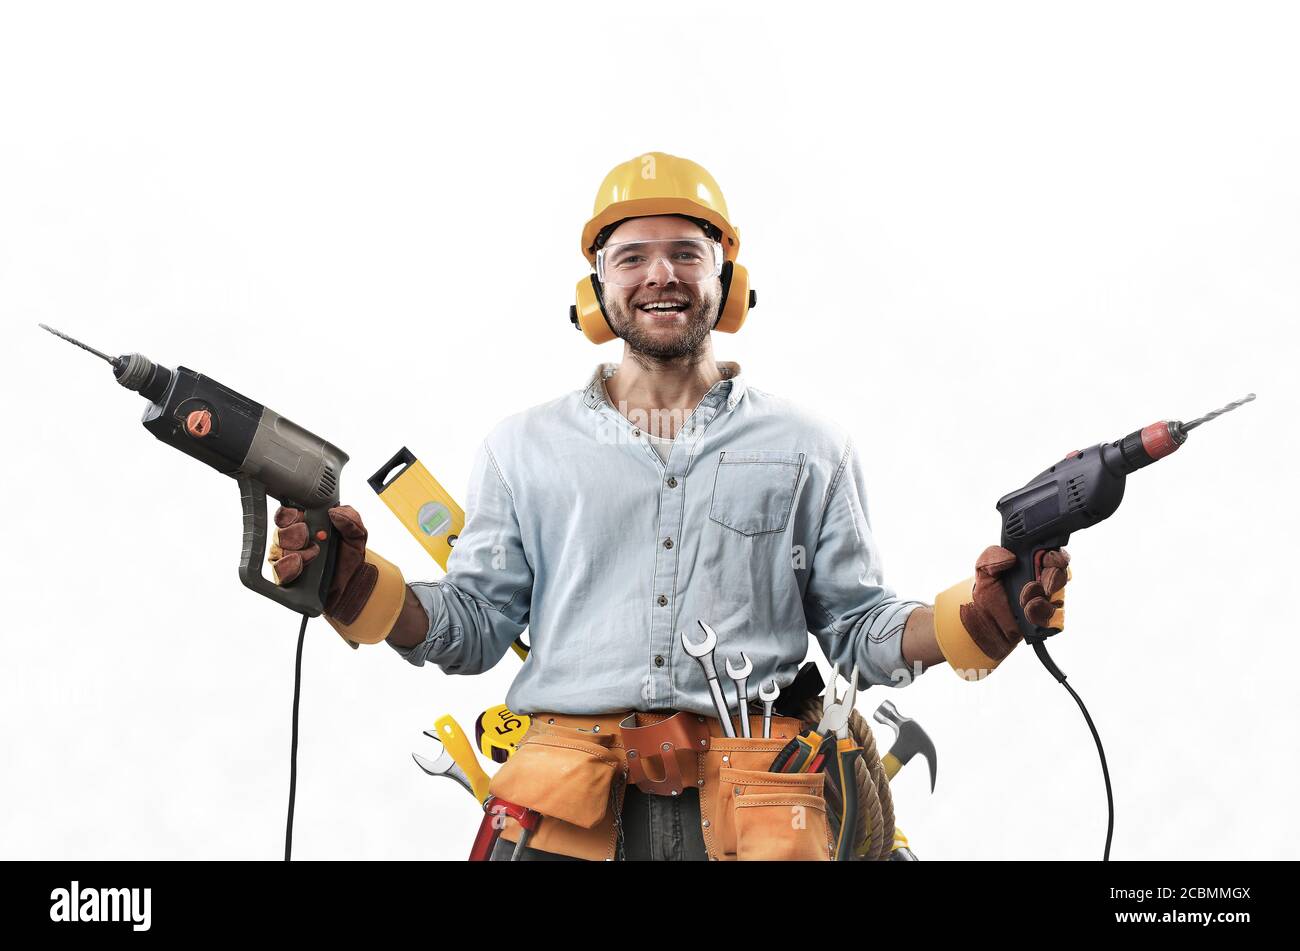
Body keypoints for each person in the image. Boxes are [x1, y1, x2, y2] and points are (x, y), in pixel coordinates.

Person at [269, 152, 1070, 861]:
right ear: (597, 289)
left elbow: (860, 630)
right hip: (563, 811)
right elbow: (476, 625)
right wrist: (360, 592)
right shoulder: (521, 448)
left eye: (687, 253)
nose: (661, 274)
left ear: (727, 285)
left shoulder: (810, 446)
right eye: (632, 257)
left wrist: (978, 620)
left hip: (756, 802)